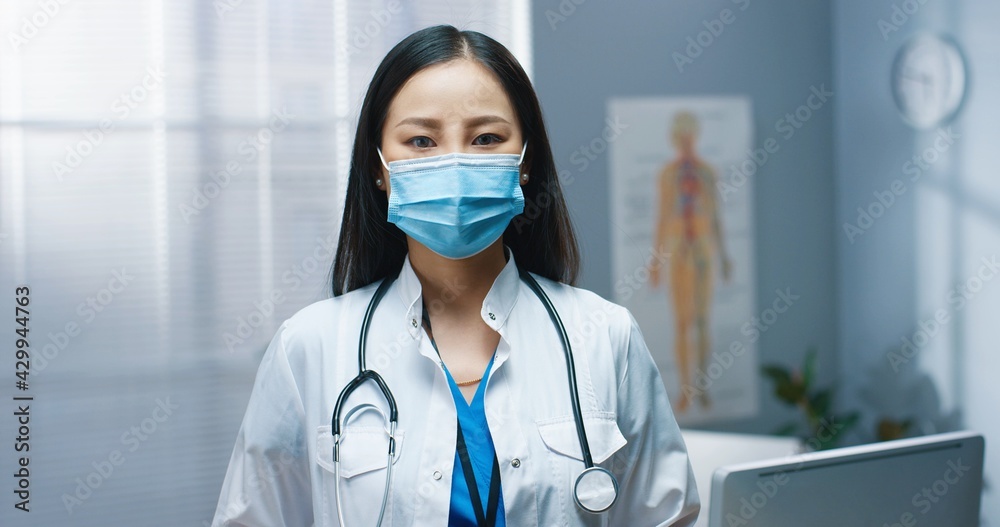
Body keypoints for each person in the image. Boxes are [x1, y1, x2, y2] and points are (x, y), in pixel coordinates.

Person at [213, 25, 699, 526]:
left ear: (524, 162)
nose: (455, 163)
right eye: (421, 140)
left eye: (486, 138)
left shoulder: (604, 336)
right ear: (379, 167)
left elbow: (665, 517)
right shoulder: (309, 348)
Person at [648, 111, 731, 414]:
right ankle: (686, 389)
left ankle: (704, 385)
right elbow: (662, 217)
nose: (685, 140)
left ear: (694, 136)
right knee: (683, 323)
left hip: (703, 251)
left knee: (702, 320)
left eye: (689, 134)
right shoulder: (668, 175)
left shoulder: (707, 173)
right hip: (679, 251)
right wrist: (655, 261)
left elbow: (716, 217)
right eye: (680, 135)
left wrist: (724, 256)